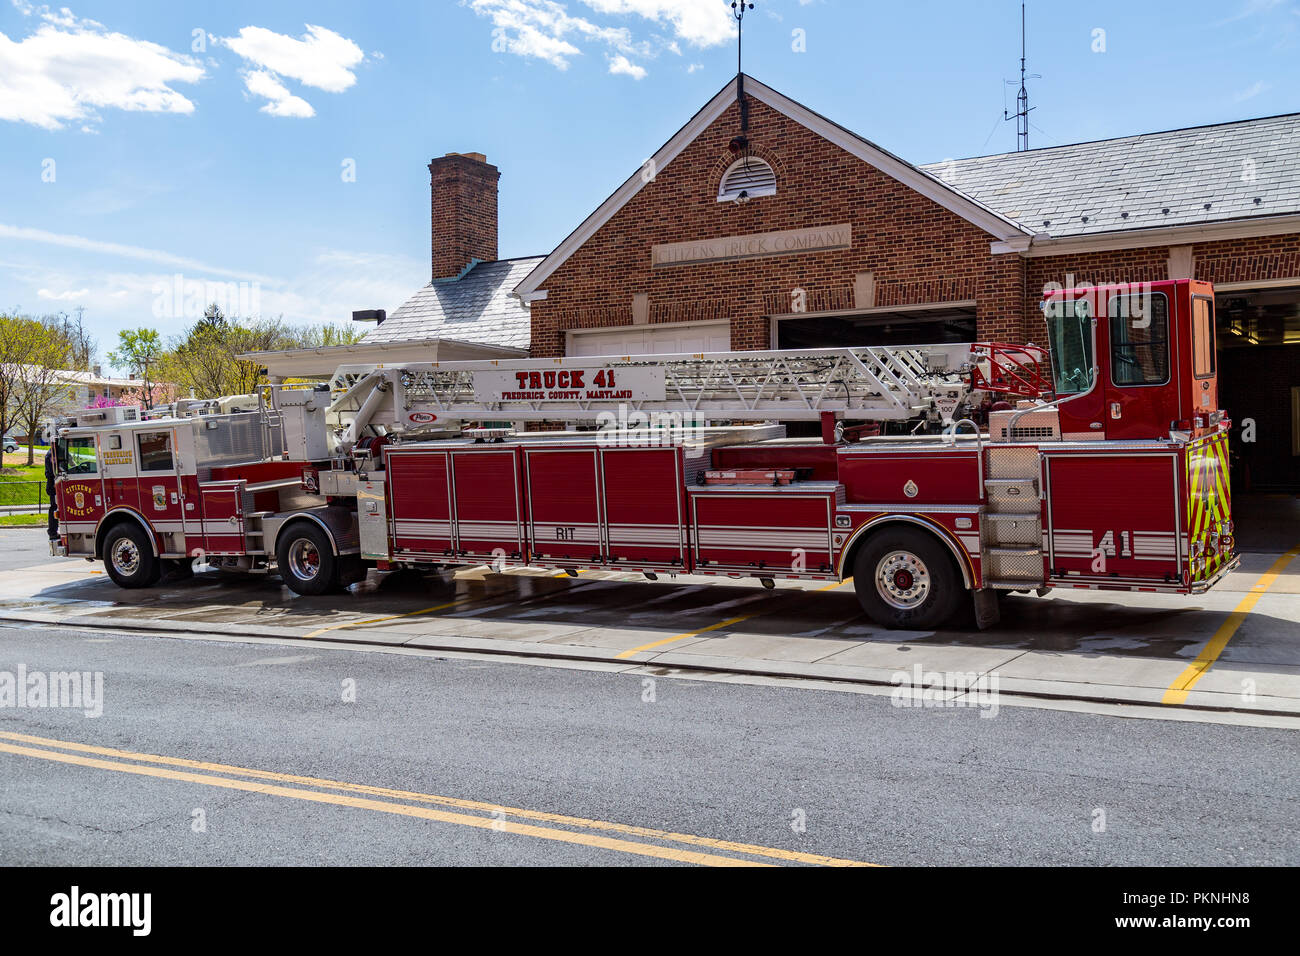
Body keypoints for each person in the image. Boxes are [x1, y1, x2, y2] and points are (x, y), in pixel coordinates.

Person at [44, 446, 58, 541]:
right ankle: (52, 532)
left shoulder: (52, 452)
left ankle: (53, 531)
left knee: (55, 508)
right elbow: (53, 471)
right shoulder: (51, 454)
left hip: (53, 483)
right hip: (53, 484)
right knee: (54, 508)